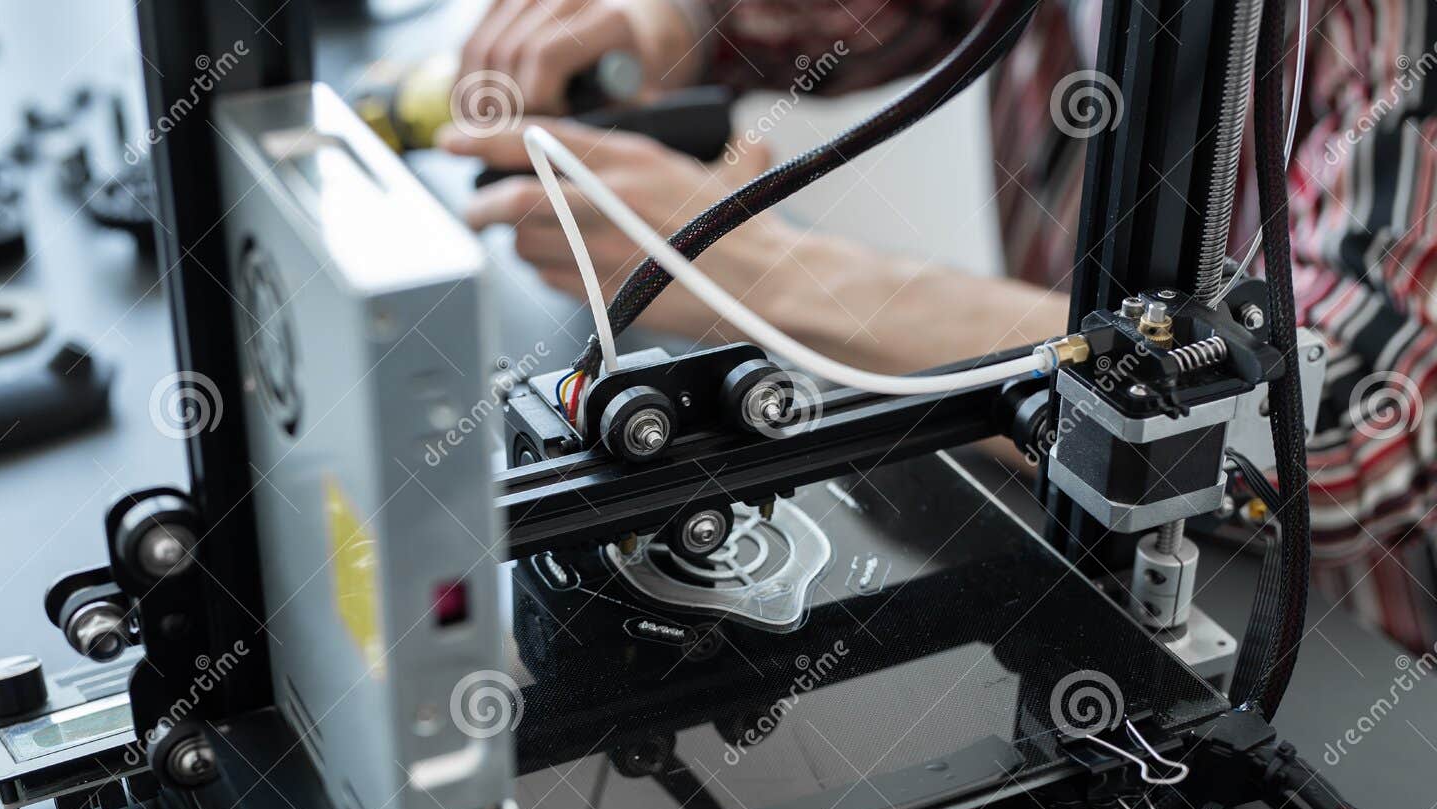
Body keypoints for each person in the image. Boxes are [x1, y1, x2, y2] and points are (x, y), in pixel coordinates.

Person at [441, 0, 1437, 653]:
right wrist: (677, 23)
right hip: (1077, 516)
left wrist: (754, 268)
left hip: (1350, 649)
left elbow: (1336, 427)